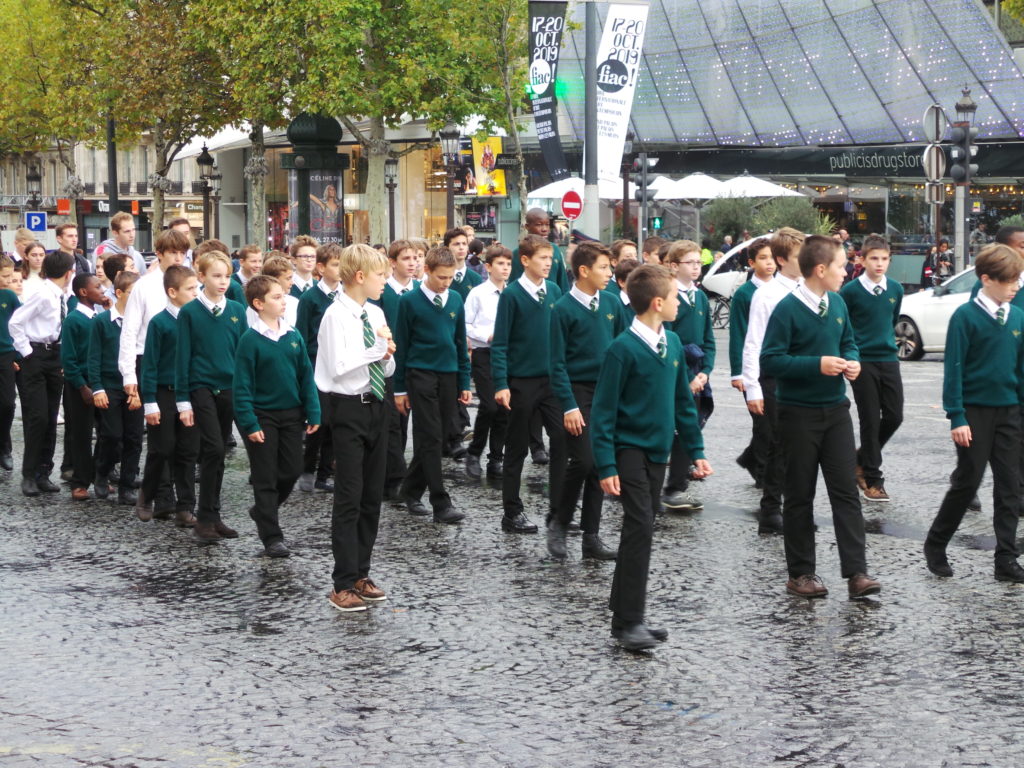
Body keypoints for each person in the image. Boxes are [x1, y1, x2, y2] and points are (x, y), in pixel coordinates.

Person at [591, 264, 712, 650]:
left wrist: (696, 452)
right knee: (640, 524)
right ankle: (629, 623)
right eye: (676, 297)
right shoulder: (621, 349)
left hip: (658, 452)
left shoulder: (673, 344)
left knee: (643, 525)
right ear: (658, 303)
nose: (680, 303)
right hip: (628, 450)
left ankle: (626, 613)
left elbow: (682, 402)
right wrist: (607, 464)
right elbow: (603, 411)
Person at [761, 235, 879, 600]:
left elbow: (848, 341)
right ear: (821, 269)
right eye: (843, 266)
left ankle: (857, 573)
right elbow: (771, 360)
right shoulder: (787, 309)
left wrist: (852, 360)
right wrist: (818, 364)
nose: (848, 272)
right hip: (798, 414)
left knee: (845, 491)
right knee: (800, 494)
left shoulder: (838, 304)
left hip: (836, 412)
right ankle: (801, 573)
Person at [924, 244, 1024, 582]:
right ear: (986, 279)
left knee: (1010, 488)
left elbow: (1020, 370)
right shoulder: (965, 317)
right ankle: (936, 544)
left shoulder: (1018, 316)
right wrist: (957, 415)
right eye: (1010, 281)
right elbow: (954, 369)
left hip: (1010, 412)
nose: (1016, 286)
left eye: (1018, 280)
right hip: (975, 413)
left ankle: (1006, 560)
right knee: (967, 483)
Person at [316, 244, 396, 611]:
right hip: (347, 409)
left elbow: (382, 367)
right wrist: (376, 350)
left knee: (371, 495)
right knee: (349, 496)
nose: (386, 280)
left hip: (377, 405)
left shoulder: (375, 310)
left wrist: (387, 355)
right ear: (360, 276)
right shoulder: (335, 315)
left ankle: (362, 572)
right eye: (381, 274)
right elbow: (337, 367)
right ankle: (342, 581)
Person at [547, 241, 625, 560]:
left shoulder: (612, 303)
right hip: (577, 392)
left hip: (607, 392)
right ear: (584, 271)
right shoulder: (563, 309)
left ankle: (591, 537)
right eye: (604, 267)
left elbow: (622, 348)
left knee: (601, 463)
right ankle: (559, 521)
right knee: (585, 460)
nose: (610, 273)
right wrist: (568, 405)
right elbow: (556, 363)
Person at [234, 275, 320, 558]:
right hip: (262, 416)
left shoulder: (293, 335)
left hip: (292, 414)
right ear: (259, 304)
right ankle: (272, 537)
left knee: (291, 469)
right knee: (266, 476)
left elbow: (306, 376)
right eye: (277, 297)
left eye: (284, 296)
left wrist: (313, 409)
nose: (283, 301)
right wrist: (249, 422)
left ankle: (262, 511)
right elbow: (242, 385)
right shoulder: (250, 339)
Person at [491, 233, 567, 534]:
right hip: (521, 382)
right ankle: (512, 512)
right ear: (525, 261)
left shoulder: (555, 291)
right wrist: (501, 383)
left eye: (551, 259)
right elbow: (500, 343)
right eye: (543, 259)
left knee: (562, 440)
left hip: (552, 383)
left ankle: (559, 510)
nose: (549, 264)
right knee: (517, 448)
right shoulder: (511, 295)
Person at [393, 246, 471, 524]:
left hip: (448, 375)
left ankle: (410, 490)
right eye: (441, 277)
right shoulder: (409, 301)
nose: (445, 283)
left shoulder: (456, 300)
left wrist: (464, 380)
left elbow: (461, 343)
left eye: (450, 278)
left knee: (438, 438)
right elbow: (401, 347)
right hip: (420, 374)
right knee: (430, 437)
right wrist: (399, 389)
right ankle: (440, 502)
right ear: (426, 271)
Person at [175, 250, 249, 543]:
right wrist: (183, 401)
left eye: (227, 276)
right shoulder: (190, 312)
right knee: (214, 449)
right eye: (216, 276)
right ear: (201, 276)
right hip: (201, 387)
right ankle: (203, 517)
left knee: (216, 455)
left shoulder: (236, 310)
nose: (222, 282)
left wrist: (246, 391)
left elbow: (244, 354)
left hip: (229, 388)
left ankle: (213, 515)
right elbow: (183, 357)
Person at [742, 228, 806, 534]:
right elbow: (753, 342)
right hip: (774, 378)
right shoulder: (766, 294)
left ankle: (795, 508)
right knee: (778, 445)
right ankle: (770, 509)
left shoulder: (810, 288)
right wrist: (752, 386)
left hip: (803, 376)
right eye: (798, 256)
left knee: (801, 448)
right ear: (782, 260)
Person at [839, 235, 904, 502]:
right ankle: (873, 479)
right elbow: (844, 327)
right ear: (862, 260)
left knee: (894, 415)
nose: (879, 264)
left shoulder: (896, 289)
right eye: (874, 258)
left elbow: (893, 319)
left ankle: (859, 458)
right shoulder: (850, 291)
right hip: (861, 360)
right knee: (869, 417)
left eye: (884, 259)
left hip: (889, 358)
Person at [137, 265, 199, 527]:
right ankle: (147, 494)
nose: (197, 294)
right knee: (162, 448)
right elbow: (149, 364)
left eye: (197, 288)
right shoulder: (160, 322)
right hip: (163, 392)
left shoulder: (196, 319)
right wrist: (149, 400)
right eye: (191, 289)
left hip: (190, 393)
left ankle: (185, 507)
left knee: (187, 451)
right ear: (172, 292)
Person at [9, 249, 74, 497]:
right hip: (36, 355)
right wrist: (27, 353)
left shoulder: (61, 295)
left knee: (50, 415)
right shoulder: (44, 294)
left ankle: (44, 472)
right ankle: (28, 474)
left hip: (54, 356)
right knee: (38, 417)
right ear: (68, 273)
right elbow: (16, 322)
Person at [662, 240, 715, 511]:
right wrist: (686, 376)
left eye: (699, 262)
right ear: (673, 266)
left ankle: (677, 486)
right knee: (672, 427)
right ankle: (662, 484)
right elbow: (669, 338)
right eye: (690, 262)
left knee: (689, 425)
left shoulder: (701, 296)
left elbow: (709, 339)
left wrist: (705, 371)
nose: (696, 267)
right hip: (675, 369)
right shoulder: (671, 296)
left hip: (697, 372)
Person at [369, 239, 419, 499]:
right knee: (393, 423)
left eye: (416, 258)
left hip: (416, 364)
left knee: (413, 423)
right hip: (389, 363)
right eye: (406, 259)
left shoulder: (420, 289)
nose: (413, 263)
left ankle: (405, 475)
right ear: (392, 263)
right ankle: (392, 477)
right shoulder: (382, 292)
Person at [89, 271, 142, 504]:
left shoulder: (143, 321)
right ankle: (102, 471)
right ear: (119, 293)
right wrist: (97, 388)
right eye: (132, 293)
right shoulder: (102, 322)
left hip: (136, 387)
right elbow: (93, 358)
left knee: (134, 437)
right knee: (111, 435)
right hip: (110, 384)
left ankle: (127, 485)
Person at [729, 238, 775, 488]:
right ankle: (761, 470)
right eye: (763, 258)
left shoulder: (781, 288)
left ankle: (751, 457)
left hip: (776, 364)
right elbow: (738, 334)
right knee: (763, 422)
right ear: (751, 262)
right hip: (753, 367)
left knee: (772, 422)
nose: (769, 263)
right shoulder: (745, 294)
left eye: (772, 257)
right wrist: (739, 373)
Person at [295, 242, 341, 493]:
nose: (340, 269)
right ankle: (307, 468)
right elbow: (302, 335)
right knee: (318, 420)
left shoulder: (344, 294)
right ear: (321, 268)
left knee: (335, 422)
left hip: (338, 366)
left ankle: (325, 473)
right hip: (315, 366)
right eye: (335, 264)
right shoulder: (310, 297)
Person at [464, 244, 512, 480]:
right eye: (500, 264)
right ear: (488, 266)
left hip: (507, 356)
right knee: (489, 405)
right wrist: (485, 335)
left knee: (504, 408)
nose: (505, 269)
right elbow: (465, 324)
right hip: (484, 354)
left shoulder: (511, 293)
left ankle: (496, 458)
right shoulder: (478, 293)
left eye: (508, 264)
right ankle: (474, 453)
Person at [61, 273, 103, 500]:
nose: (102, 289)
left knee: (108, 432)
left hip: (100, 383)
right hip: (80, 386)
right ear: (84, 292)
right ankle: (80, 481)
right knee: (81, 435)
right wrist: (81, 386)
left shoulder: (99, 317)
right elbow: (68, 359)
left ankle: (98, 473)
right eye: (97, 287)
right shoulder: (74, 320)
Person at [443, 227, 481, 459]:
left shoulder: (475, 278)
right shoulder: (439, 277)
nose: (460, 248)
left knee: (462, 384)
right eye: (456, 243)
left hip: (467, 340)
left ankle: (457, 433)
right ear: (447, 246)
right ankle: (449, 435)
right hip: (447, 337)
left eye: (464, 244)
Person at [510, 209, 569, 293]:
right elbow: (514, 285)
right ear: (527, 226)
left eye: (547, 225)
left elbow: (563, 284)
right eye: (539, 225)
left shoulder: (555, 250)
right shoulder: (518, 253)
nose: (544, 229)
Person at [0, 255, 19, 471]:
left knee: (7, 403)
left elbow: (21, 323)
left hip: (5, 353)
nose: (8, 280)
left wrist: (18, 354)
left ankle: (4, 446)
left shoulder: (9, 296)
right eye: (5, 276)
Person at [256, 256, 300, 327]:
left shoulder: (294, 302)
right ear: (275, 280)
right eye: (288, 278)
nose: (292, 283)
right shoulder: (259, 304)